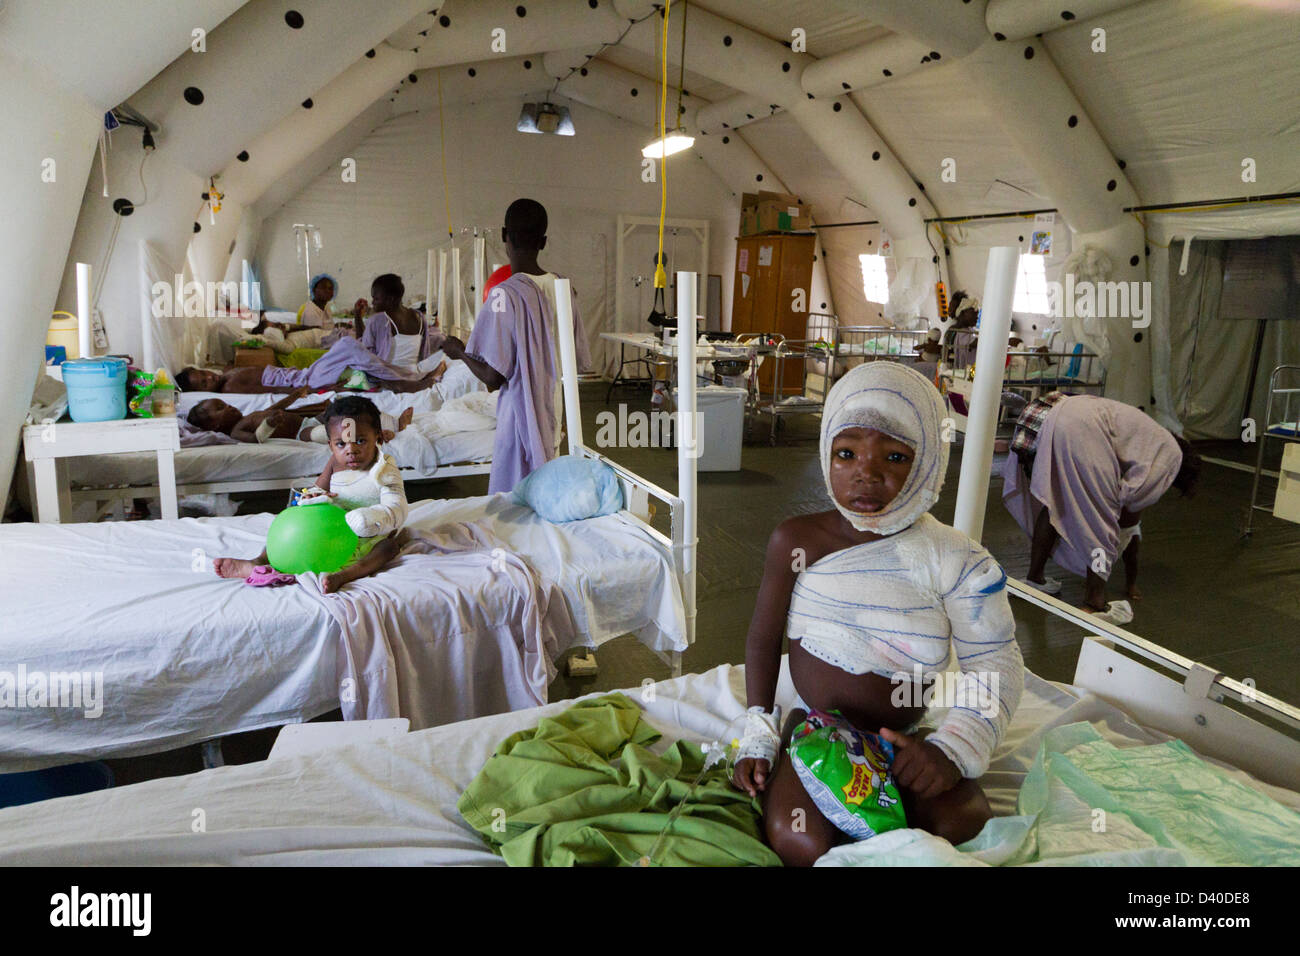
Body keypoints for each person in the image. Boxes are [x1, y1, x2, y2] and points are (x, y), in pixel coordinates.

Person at [732, 362, 1024, 866]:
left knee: (963, 823)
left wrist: (952, 750)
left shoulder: (955, 559)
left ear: (929, 461)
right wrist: (758, 729)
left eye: (894, 456)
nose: (866, 473)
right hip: (816, 730)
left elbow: (995, 662)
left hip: (903, 739)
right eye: (846, 453)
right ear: (826, 453)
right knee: (802, 840)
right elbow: (763, 639)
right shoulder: (798, 541)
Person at [1001, 393, 1201, 618]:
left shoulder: (1154, 434)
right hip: (1085, 431)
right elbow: (1132, 501)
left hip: (1060, 414)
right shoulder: (1171, 456)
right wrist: (1114, 532)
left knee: (1053, 505)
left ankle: (1034, 578)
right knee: (1100, 524)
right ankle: (1094, 600)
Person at [441, 198, 591, 493]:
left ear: (503, 235)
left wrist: (459, 351)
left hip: (519, 413)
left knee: (515, 496)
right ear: (544, 241)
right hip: (555, 406)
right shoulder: (564, 288)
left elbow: (493, 377)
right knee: (547, 488)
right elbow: (574, 359)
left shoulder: (504, 294)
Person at [212, 395, 409, 594]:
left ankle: (346, 575)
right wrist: (311, 498)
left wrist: (371, 518)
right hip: (331, 529)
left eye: (360, 441)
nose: (351, 450)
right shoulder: (335, 462)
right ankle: (258, 561)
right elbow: (317, 490)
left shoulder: (384, 469)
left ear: (378, 436)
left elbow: (396, 507)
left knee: (389, 547)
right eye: (341, 444)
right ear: (330, 444)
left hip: (369, 534)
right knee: (286, 525)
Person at [357, 274, 442, 372]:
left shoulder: (378, 320)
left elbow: (363, 352)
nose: (372, 302)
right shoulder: (419, 317)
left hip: (387, 376)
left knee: (345, 346)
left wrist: (357, 316)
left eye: (376, 299)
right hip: (413, 374)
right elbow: (424, 353)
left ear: (390, 300)